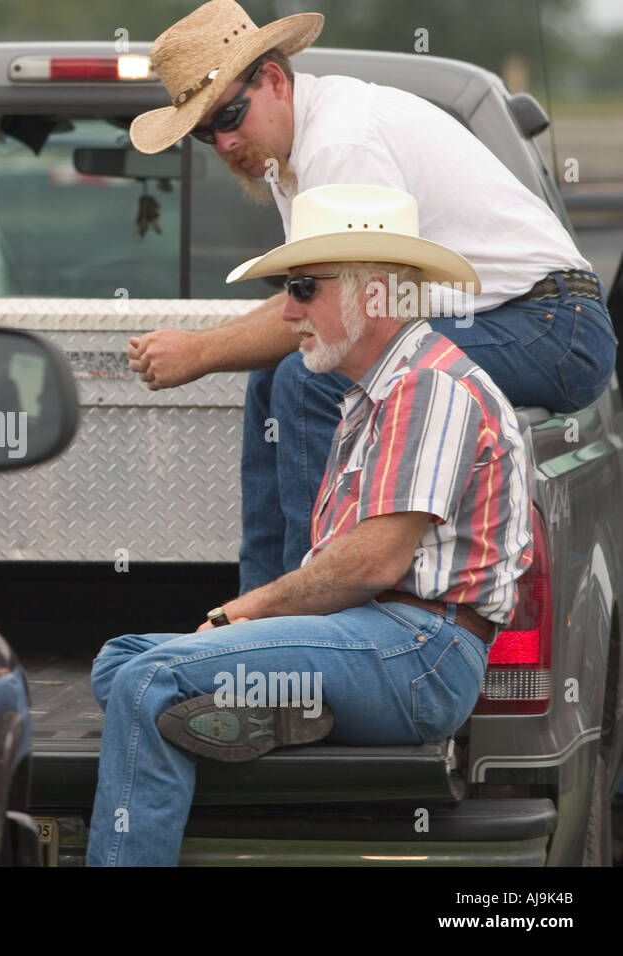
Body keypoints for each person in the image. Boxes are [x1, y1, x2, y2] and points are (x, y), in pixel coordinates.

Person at [88, 184, 533, 866]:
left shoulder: (428, 387)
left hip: (420, 653)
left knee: (150, 683)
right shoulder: (379, 392)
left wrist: (241, 613)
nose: (288, 311)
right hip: (381, 638)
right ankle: (273, 711)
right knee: (121, 660)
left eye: (302, 288)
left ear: (376, 292)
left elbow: (370, 565)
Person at [124, 0, 615, 593]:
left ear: (275, 79)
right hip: (516, 318)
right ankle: (261, 605)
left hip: (552, 329)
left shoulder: (340, 144)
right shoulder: (298, 149)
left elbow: (346, 314)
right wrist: (212, 347)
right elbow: (315, 299)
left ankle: (311, 609)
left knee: (305, 378)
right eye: (206, 133)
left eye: (229, 114)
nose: (225, 142)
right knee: (274, 375)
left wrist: (200, 353)